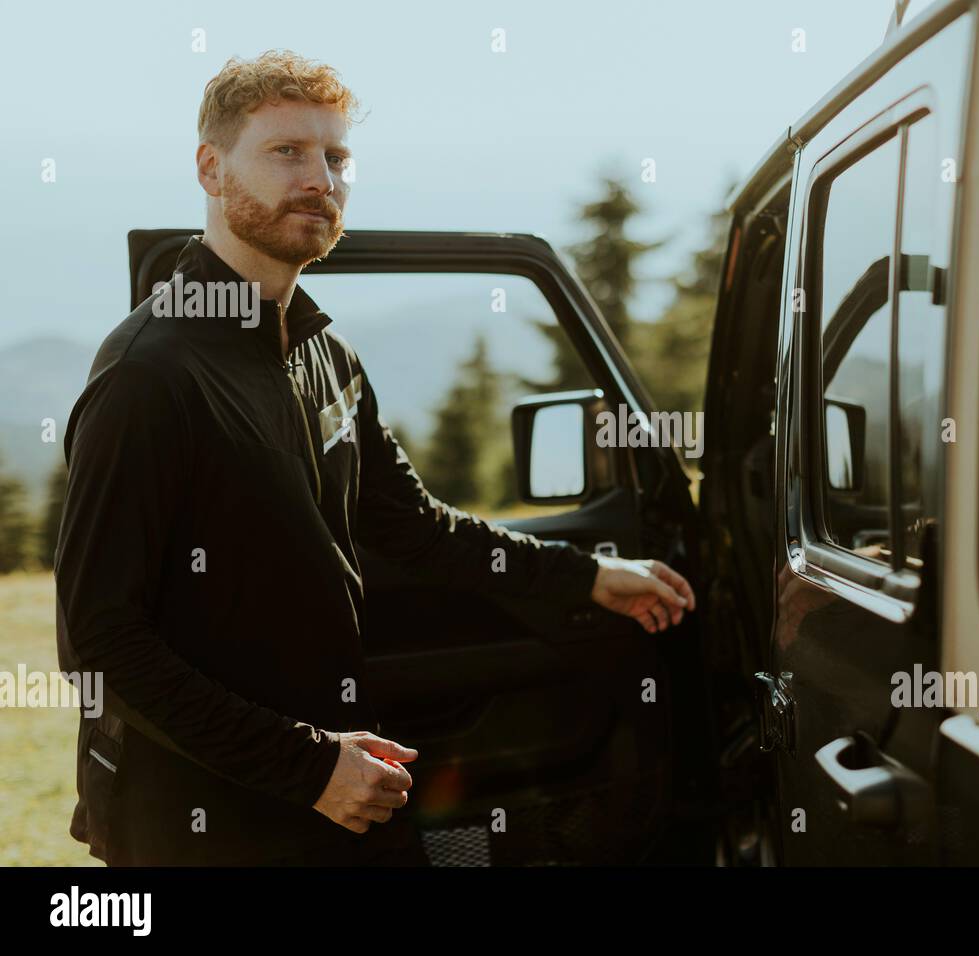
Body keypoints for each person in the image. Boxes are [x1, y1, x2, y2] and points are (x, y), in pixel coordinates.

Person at [54, 50, 695, 867]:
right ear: (211, 169)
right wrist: (309, 765)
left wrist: (586, 577)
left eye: (337, 157)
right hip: (201, 820)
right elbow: (100, 644)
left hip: (338, 791)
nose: (321, 178)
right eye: (288, 152)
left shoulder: (329, 356)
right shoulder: (150, 373)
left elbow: (416, 529)